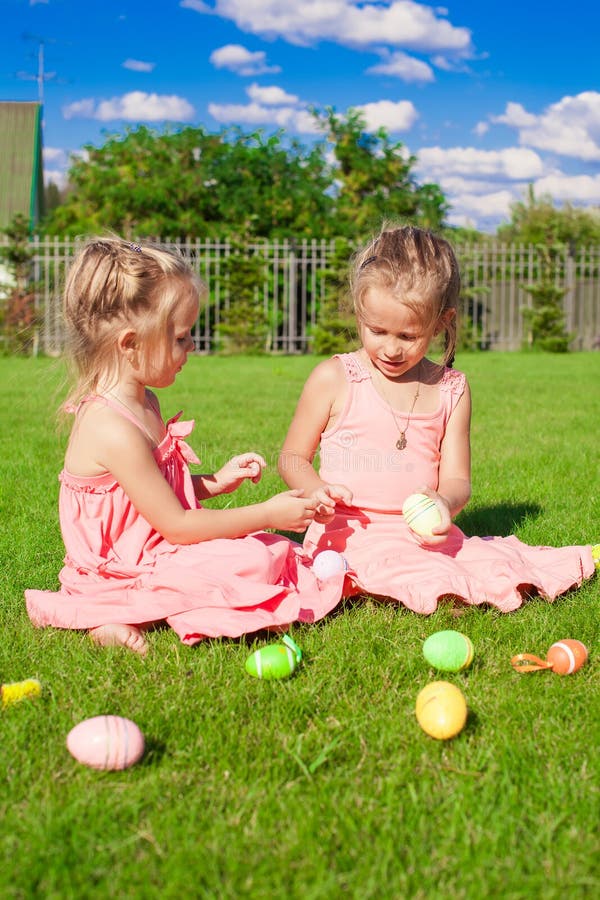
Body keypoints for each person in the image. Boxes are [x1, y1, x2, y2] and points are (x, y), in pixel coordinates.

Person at [25, 237, 344, 655]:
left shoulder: (144, 401)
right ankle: (106, 613)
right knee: (255, 558)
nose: (191, 347)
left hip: (157, 545)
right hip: (126, 567)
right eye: (180, 337)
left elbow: (149, 498)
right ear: (130, 343)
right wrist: (268, 512)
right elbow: (175, 524)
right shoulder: (110, 426)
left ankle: (125, 610)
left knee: (262, 551)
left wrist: (216, 482)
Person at [278, 224, 598, 614]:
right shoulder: (335, 378)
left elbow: (458, 480)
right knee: (401, 569)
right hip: (348, 531)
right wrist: (314, 491)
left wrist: (444, 502)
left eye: (409, 336)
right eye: (377, 330)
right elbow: (293, 458)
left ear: (440, 322)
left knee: (491, 563)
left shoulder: (451, 389)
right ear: (359, 313)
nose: (391, 348)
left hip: (420, 534)